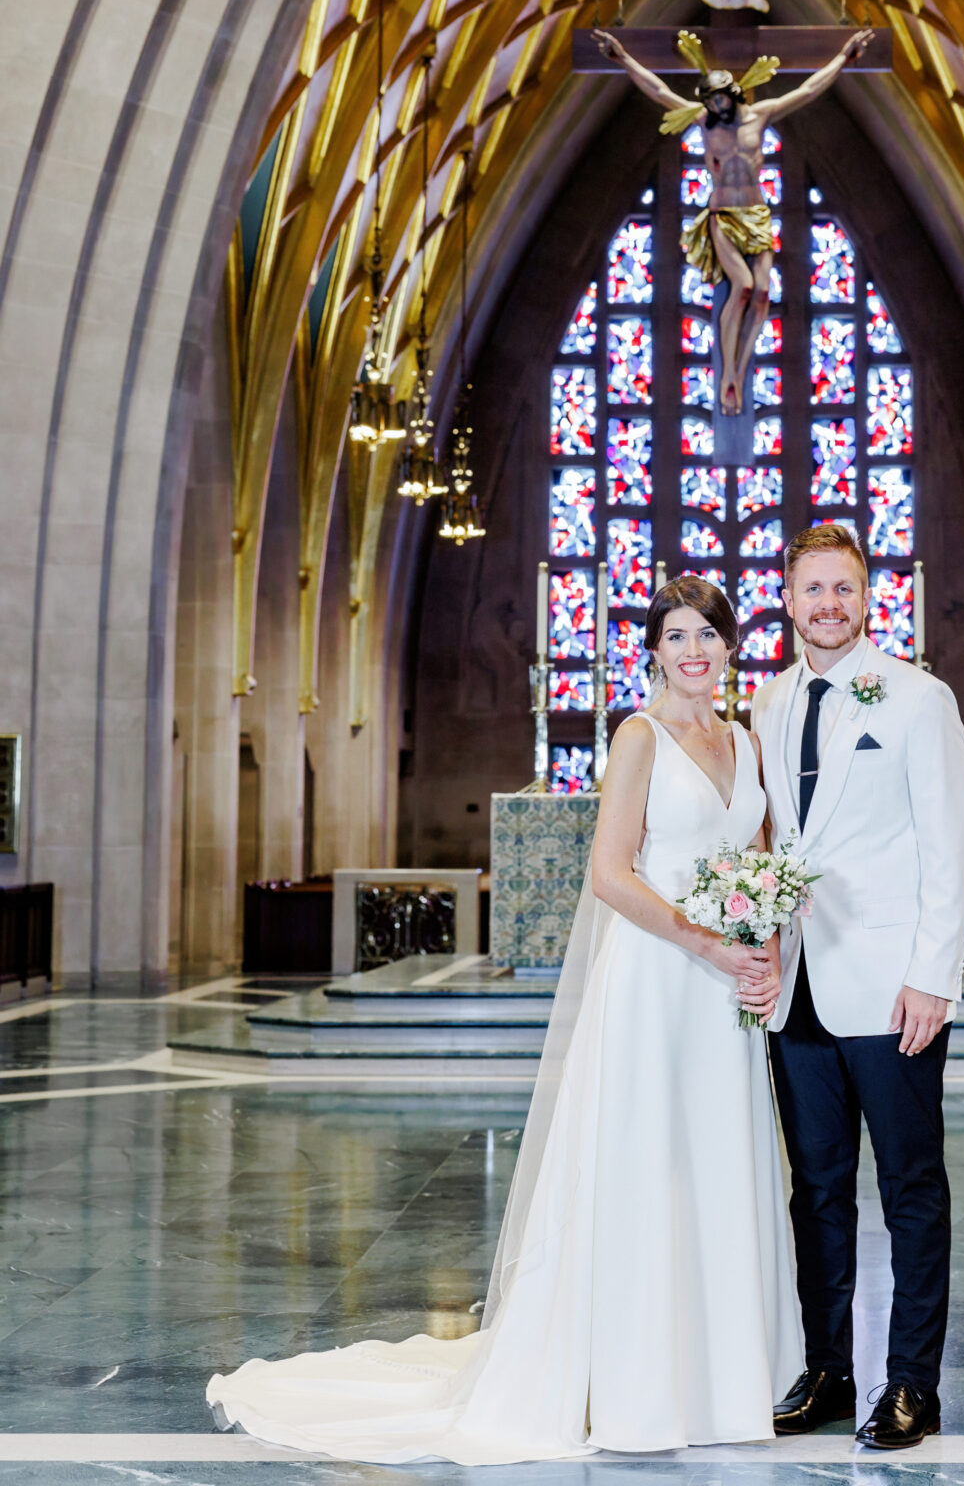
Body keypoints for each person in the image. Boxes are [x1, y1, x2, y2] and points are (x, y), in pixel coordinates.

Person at [206, 576, 802, 1464]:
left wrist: (763, 952)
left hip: (723, 999)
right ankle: (637, 1385)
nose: (692, 651)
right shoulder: (638, 738)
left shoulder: (748, 743)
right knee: (650, 1162)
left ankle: (723, 1379)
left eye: (707, 635)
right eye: (675, 635)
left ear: (729, 647)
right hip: (656, 978)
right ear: (653, 649)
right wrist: (707, 944)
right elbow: (609, 874)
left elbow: (762, 864)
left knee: (720, 1160)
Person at [750, 524, 964, 1451]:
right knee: (817, 1188)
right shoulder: (765, 704)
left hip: (892, 991)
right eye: (812, 590)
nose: (828, 605)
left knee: (911, 1186)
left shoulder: (919, 700)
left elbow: (948, 842)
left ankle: (911, 1383)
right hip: (797, 988)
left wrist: (933, 976)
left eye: (842, 588)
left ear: (866, 597)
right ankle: (830, 1372)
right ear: (789, 599)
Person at [593, 25, 874, 413]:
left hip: (757, 214)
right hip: (722, 214)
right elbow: (660, 91)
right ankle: (727, 376)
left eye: (718, 98)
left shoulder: (759, 116)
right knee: (741, 287)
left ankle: (739, 372)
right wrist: (622, 58)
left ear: (732, 93)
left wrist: (844, 58)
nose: (714, 106)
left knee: (761, 295)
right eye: (708, 100)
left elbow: (807, 91)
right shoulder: (704, 124)